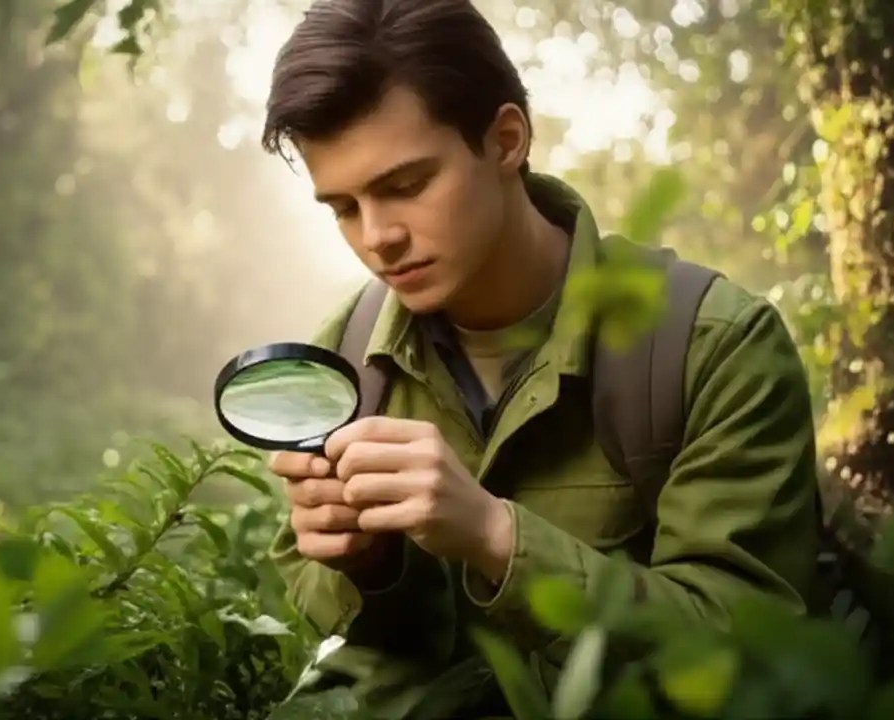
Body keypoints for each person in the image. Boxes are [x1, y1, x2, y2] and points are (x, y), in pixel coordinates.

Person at [258, 0, 821, 715]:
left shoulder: (712, 346)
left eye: (406, 186)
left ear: (506, 140)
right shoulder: (346, 354)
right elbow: (335, 619)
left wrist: (497, 538)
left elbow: (748, 654)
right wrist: (360, 565)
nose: (378, 238)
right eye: (342, 207)